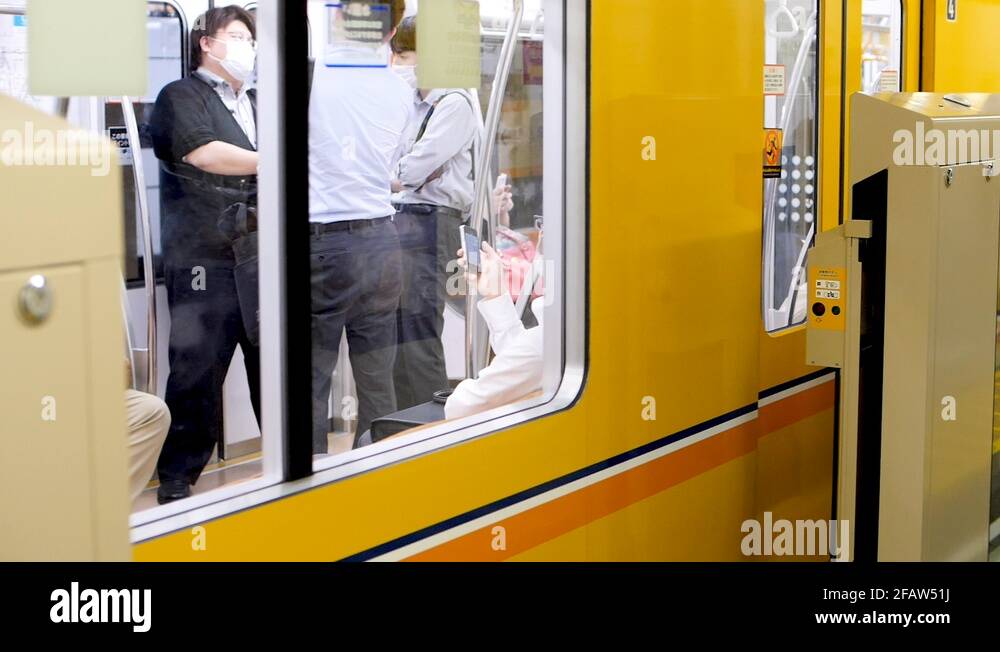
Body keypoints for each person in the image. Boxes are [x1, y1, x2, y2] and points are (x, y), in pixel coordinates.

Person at [149, 5, 260, 503]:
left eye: (250, 39)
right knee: (197, 369)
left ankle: (292, 461)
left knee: (272, 365)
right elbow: (203, 153)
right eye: (235, 36)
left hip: (260, 256)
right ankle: (176, 478)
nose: (245, 47)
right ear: (206, 42)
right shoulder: (180, 96)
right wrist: (276, 157)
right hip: (203, 258)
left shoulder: (258, 101)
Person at [309, 0, 411, 452]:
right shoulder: (399, 89)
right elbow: (391, 166)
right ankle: (375, 468)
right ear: (391, 35)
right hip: (382, 241)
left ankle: (305, 484)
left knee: (311, 377)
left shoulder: (310, 78)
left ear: (337, 20)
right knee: (376, 375)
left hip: (323, 243)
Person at [387, 16, 483, 410]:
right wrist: (401, 175)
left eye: (404, 55)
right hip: (402, 219)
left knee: (420, 325)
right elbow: (394, 165)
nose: (398, 64)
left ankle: (431, 420)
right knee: (396, 330)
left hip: (432, 221)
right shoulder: (408, 105)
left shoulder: (454, 103)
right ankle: (402, 420)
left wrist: (402, 175)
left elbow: (412, 169)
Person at [445, 242, 544, 420]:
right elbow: (520, 366)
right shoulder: (555, 333)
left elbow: (461, 407)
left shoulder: (548, 340)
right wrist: (495, 294)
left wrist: (472, 384)